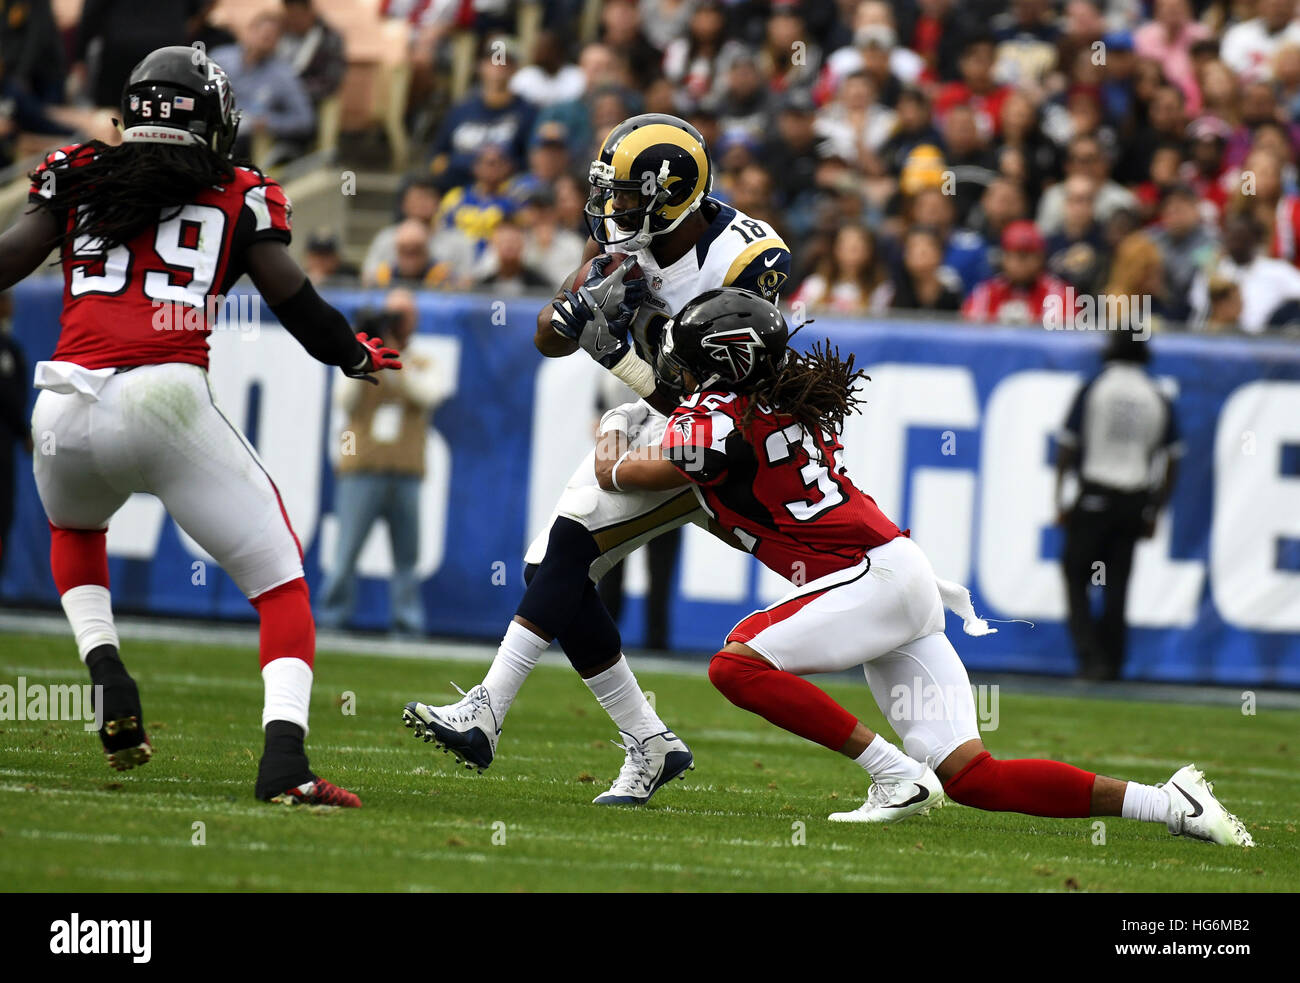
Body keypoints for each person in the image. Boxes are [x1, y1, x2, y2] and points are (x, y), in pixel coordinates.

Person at [595, 286, 1250, 846]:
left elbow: (629, 473)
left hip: (870, 579)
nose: (677, 369)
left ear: (723, 363)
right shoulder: (770, 404)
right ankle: (1169, 803)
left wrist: (612, 429)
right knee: (973, 776)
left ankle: (891, 770)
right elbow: (708, 452)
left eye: (688, 359)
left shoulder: (720, 415)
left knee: (735, 665)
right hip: (895, 575)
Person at [0, 46, 401, 805]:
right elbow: (294, 297)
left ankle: (107, 672)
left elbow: (12, 256)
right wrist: (353, 353)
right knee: (281, 580)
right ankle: (284, 762)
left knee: (76, 531)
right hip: (163, 394)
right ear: (211, 120)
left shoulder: (78, 171)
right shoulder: (238, 191)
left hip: (61, 401)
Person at [401, 113, 792, 806]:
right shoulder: (629, 241)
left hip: (723, 436)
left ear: (671, 195)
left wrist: (615, 351)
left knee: (568, 549)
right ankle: (649, 744)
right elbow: (549, 333)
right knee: (545, 568)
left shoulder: (742, 260)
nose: (613, 209)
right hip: (650, 414)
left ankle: (489, 710)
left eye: (628, 195)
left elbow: (716, 402)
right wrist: (575, 310)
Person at [1056, 329, 1182, 681]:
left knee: (1075, 574)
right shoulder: (1157, 395)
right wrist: (1156, 509)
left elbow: (1068, 446)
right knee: (1117, 583)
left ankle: (1090, 656)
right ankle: (1112, 662)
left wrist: (1060, 498)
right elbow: (1171, 458)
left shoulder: (1096, 387)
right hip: (1134, 500)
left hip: (1094, 495)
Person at [318, 290, 446, 636]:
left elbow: (429, 394)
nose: (397, 322)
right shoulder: (359, 359)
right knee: (345, 552)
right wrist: (362, 356)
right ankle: (331, 618)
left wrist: (394, 360)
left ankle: (406, 624)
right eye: (392, 315)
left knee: (407, 558)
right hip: (362, 471)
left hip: (406, 474)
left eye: (402, 315)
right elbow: (344, 400)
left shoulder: (422, 363)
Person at [962, 220, 1071, 324]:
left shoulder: (1059, 295)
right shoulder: (985, 293)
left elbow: (1068, 339)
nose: (1020, 263)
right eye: (1013, 255)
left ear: (1041, 258)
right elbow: (969, 337)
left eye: (1026, 255)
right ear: (1004, 258)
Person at [0, 292, 31, 582]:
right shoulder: (6, 349)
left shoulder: (11, 347)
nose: (12, 305)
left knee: (5, 515)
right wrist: (25, 432)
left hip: (6, 445)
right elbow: (7, 396)